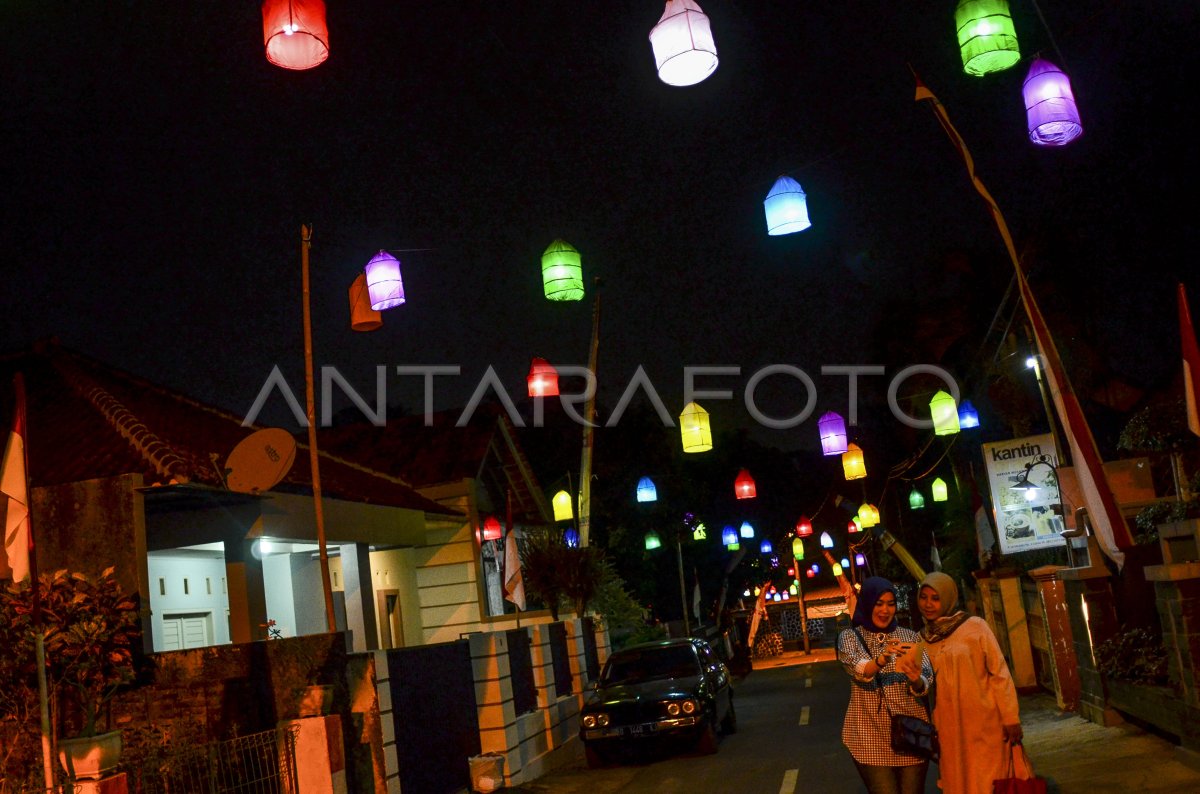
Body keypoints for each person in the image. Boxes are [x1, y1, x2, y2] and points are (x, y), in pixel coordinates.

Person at [916, 571, 1022, 794]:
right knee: (959, 782)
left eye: (935, 598)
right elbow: (921, 683)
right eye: (923, 597)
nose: (928, 604)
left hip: (985, 724)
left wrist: (1010, 717)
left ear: (948, 598)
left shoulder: (975, 626)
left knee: (990, 782)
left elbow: (999, 672)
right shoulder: (921, 639)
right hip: (949, 728)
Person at [837, 576, 934, 794]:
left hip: (910, 732)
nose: (885, 610)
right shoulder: (850, 638)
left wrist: (916, 679)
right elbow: (859, 669)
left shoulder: (910, 637)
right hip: (868, 735)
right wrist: (882, 659)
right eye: (879, 603)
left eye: (890, 604)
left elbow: (927, 679)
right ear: (867, 603)